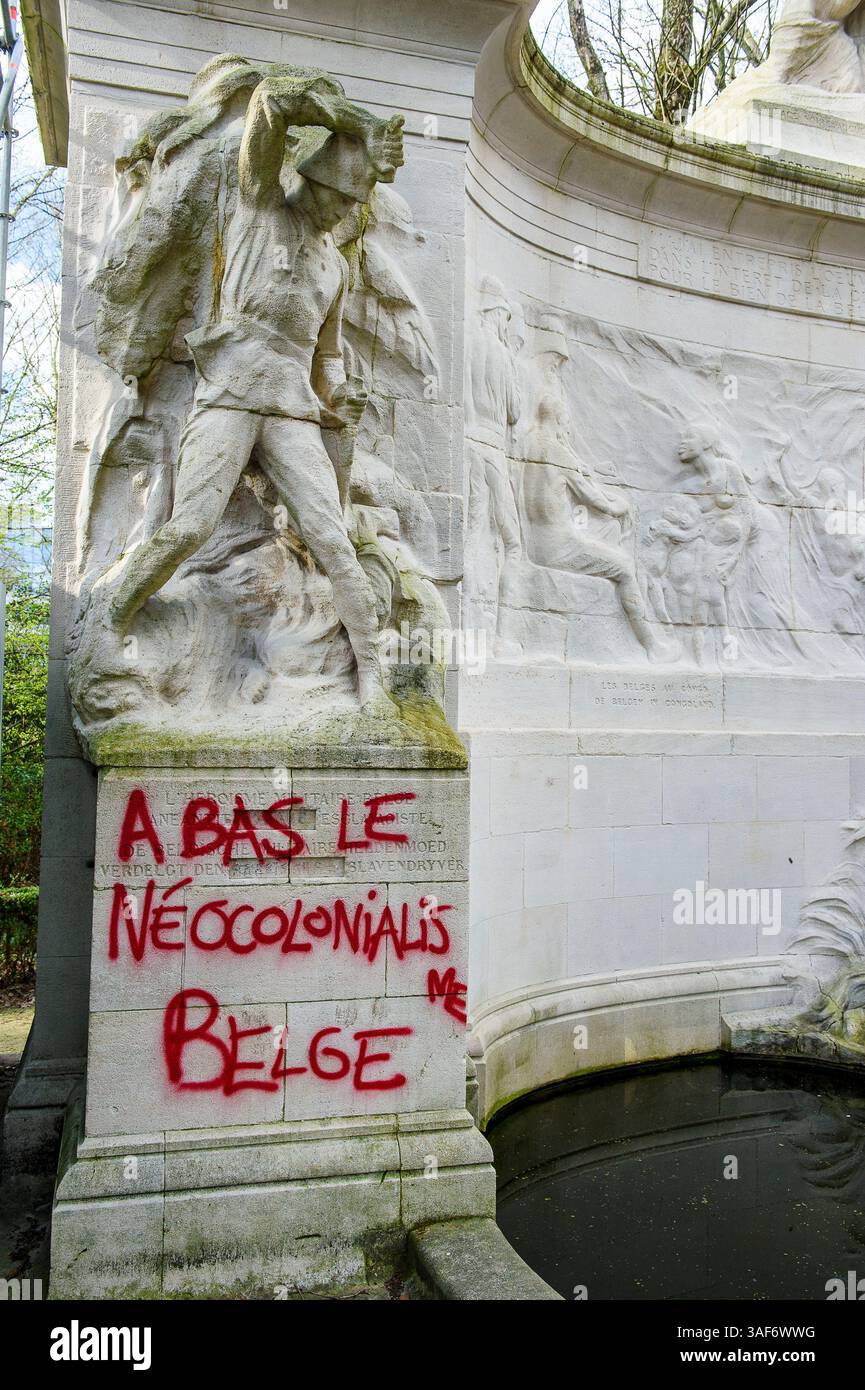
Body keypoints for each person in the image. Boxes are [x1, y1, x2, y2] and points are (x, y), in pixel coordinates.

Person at [104, 68, 405, 711]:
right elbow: (271, 104)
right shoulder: (258, 203)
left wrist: (339, 398)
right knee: (189, 526)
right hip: (230, 391)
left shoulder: (332, 265)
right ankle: (113, 619)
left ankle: (372, 675)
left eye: (353, 206)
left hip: (292, 410)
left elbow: (327, 358)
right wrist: (356, 123)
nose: (346, 214)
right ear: (316, 181)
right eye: (340, 198)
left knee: (334, 543)